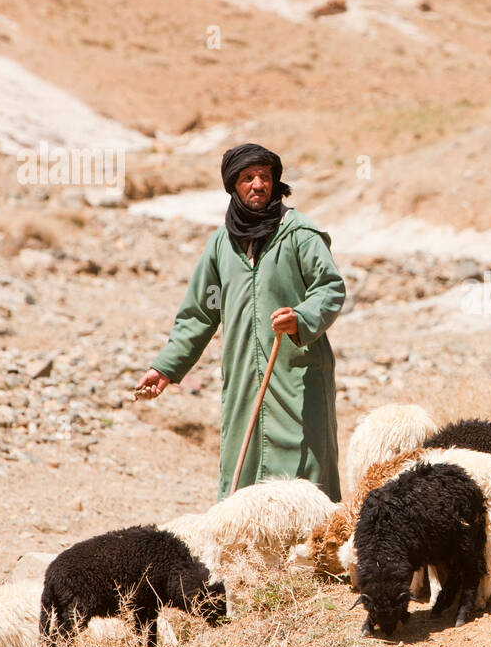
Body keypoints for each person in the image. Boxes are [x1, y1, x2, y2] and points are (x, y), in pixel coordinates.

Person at [136, 143, 345, 501]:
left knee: (305, 477)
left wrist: (301, 317)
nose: (258, 185)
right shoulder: (221, 245)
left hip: (297, 379)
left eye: (265, 176)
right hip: (244, 381)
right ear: (233, 185)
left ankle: (312, 553)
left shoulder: (299, 234)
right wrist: (166, 368)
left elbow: (329, 287)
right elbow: (200, 313)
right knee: (242, 476)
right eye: (248, 178)